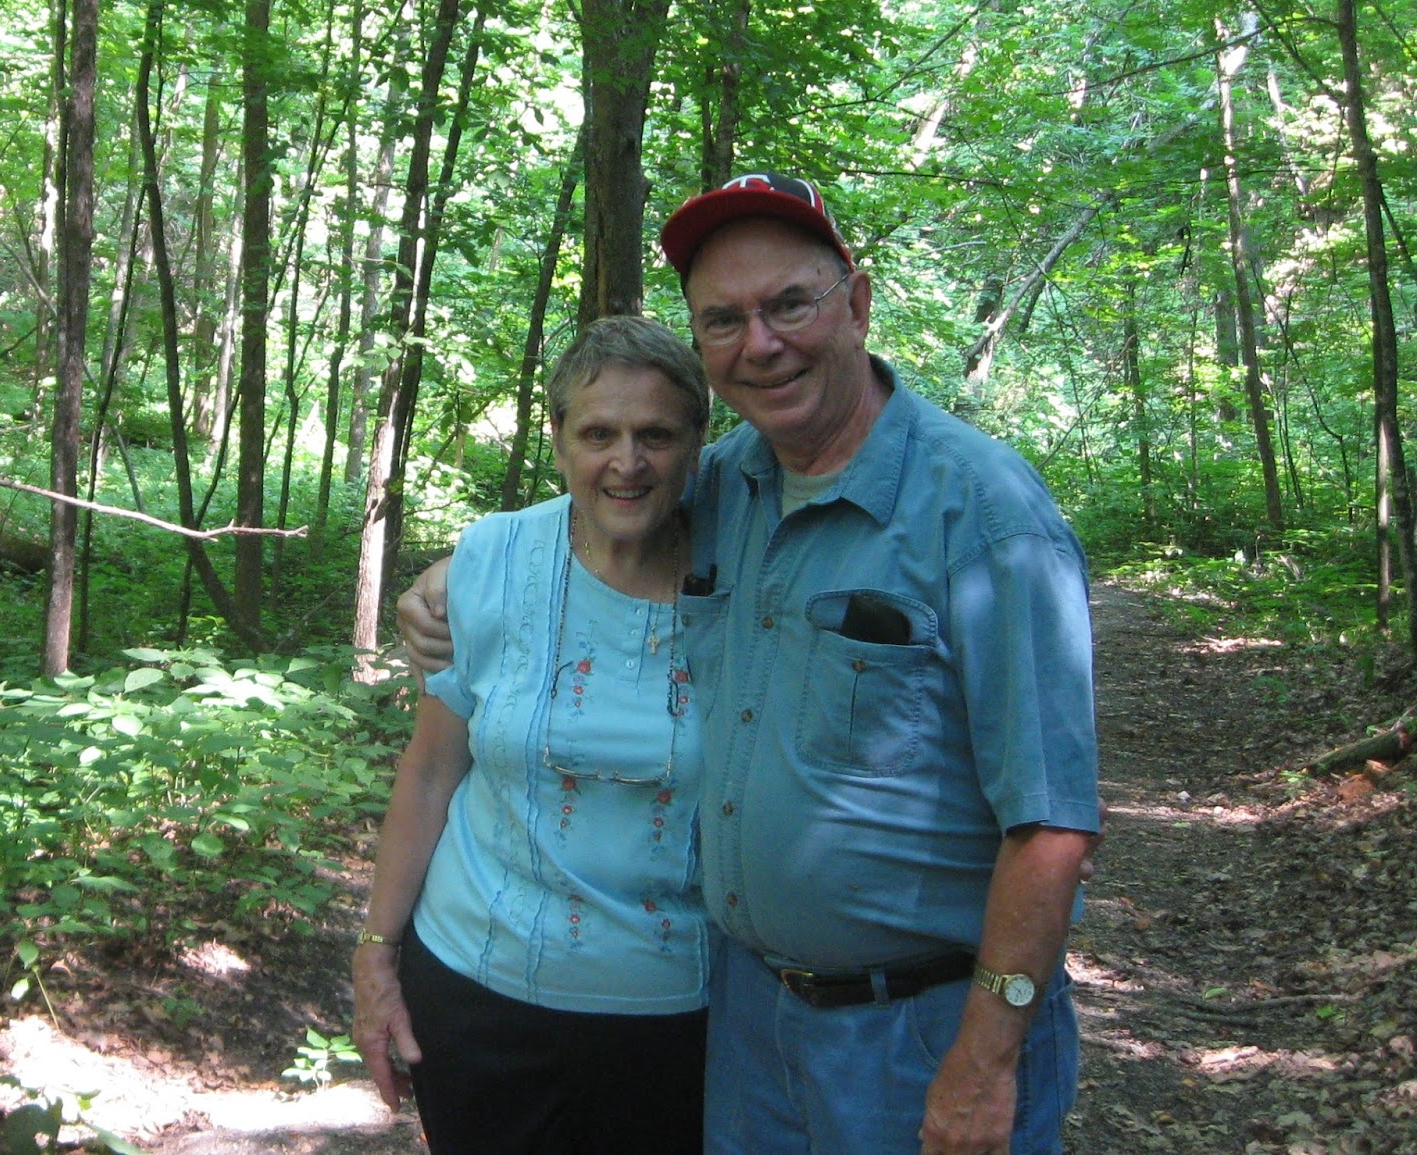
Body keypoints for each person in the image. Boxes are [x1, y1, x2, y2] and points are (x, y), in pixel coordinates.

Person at [398, 172, 1101, 1155]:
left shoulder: (981, 516)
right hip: (745, 1022)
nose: (759, 343)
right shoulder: (729, 482)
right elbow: (591, 505)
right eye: (723, 320)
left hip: (918, 1026)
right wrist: (446, 577)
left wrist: (985, 1058)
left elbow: (1052, 823)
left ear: (854, 302)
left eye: (788, 305)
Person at [351, 315, 714, 1155]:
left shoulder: (745, 569)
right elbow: (433, 770)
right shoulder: (494, 557)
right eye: (598, 433)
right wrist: (376, 955)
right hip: (474, 997)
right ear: (558, 440)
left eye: (656, 434)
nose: (627, 461)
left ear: (698, 444)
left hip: (669, 1019)